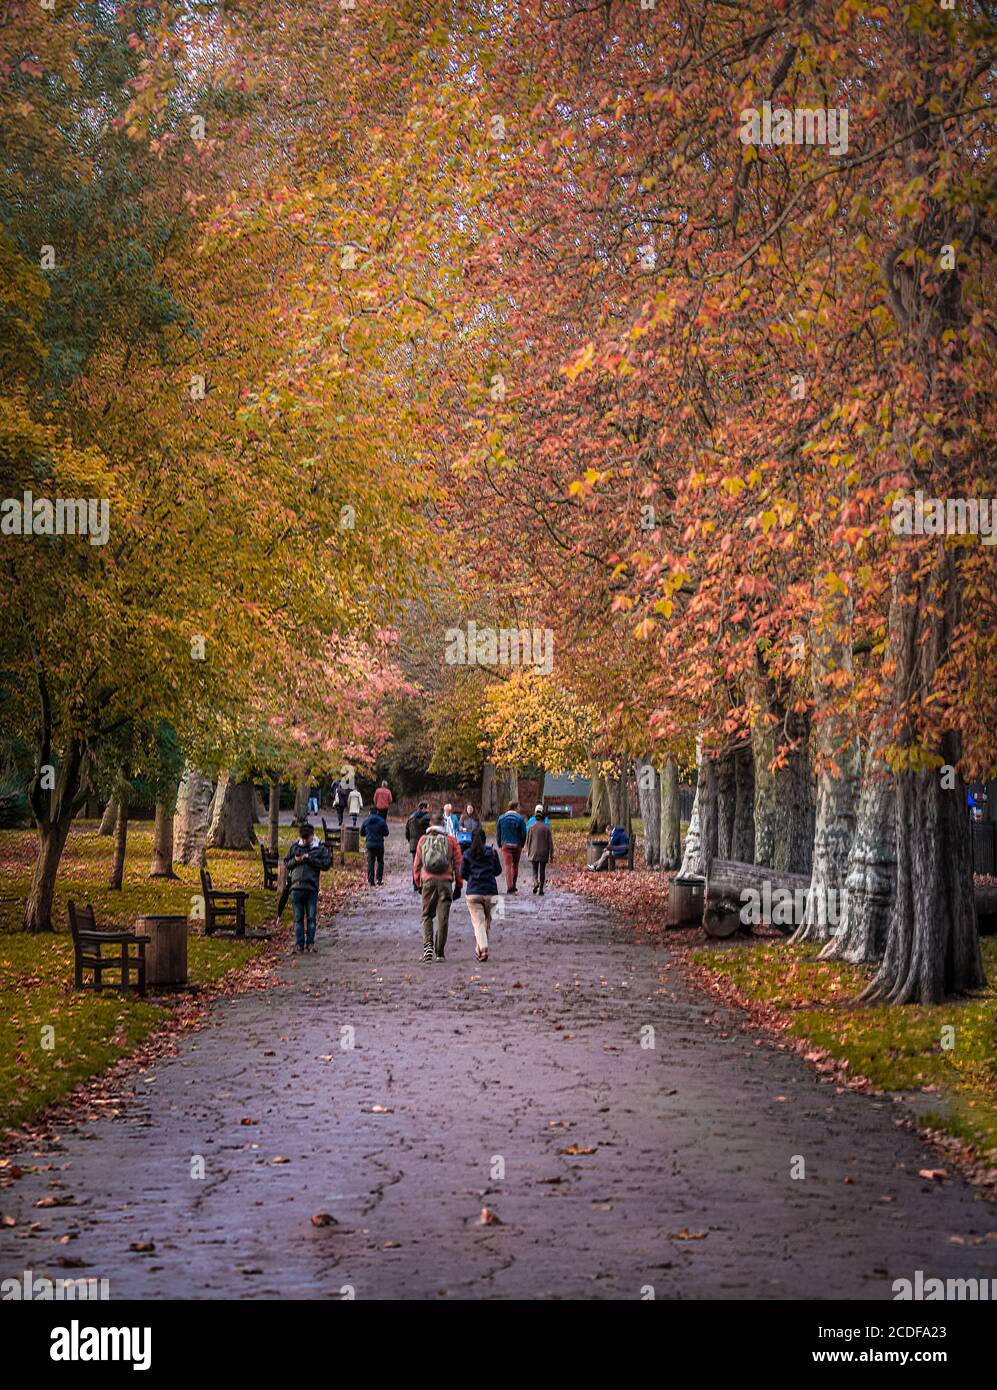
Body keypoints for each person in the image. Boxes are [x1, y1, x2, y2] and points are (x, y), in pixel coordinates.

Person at [413, 810, 463, 963]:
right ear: (443, 823)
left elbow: (417, 864)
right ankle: (440, 952)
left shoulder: (423, 840)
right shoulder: (451, 841)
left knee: (427, 915)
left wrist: (418, 882)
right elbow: (458, 864)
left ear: (430, 824)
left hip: (428, 882)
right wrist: (459, 884)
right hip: (446, 883)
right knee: (443, 918)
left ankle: (428, 946)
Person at [283, 820, 331, 952]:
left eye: (307, 838)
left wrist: (309, 858)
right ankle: (299, 944)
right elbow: (286, 862)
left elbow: (326, 864)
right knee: (298, 918)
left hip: (311, 887)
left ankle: (310, 942)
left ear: (312, 836)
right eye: (303, 838)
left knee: (311, 917)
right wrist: (296, 860)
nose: (305, 841)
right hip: (296, 887)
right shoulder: (295, 848)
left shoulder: (319, 849)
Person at [462, 826, 502, 962]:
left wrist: (473, 879)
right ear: (485, 840)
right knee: (486, 923)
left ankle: (483, 948)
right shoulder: (492, 853)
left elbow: (463, 874)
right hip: (492, 892)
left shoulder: (467, 854)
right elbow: (498, 871)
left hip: (473, 892)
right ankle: (481, 950)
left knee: (479, 922)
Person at [496, 799, 527, 893]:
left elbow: (498, 833)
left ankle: (510, 886)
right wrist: (522, 843)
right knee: (515, 865)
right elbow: (524, 833)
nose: (519, 808)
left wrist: (499, 844)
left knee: (507, 865)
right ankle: (514, 884)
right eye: (518, 806)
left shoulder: (501, 818)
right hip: (517, 845)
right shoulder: (520, 819)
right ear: (515, 807)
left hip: (505, 845)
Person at [525, 811, 554, 895]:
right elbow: (550, 843)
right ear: (543, 818)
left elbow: (528, 841)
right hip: (543, 853)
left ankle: (535, 882)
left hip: (533, 852)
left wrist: (528, 850)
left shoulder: (530, 827)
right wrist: (551, 855)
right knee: (542, 870)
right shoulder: (546, 828)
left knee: (534, 869)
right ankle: (541, 889)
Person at [360, 806, 389, 885]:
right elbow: (386, 833)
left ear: (369, 812)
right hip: (379, 844)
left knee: (370, 863)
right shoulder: (382, 821)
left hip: (369, 845)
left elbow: (361, 833)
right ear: (377, 812)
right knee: (380, 862)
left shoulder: (366, 821)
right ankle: (379, 880)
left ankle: (370, 881)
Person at [406, 801, 431, 890]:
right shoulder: (426, 818)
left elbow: (407, 832)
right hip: (423, 843)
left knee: (415, 864)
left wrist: (410, 840)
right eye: (427, 808)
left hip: (413, 844)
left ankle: (415, 884)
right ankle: (422, 883)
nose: (428, 810)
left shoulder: (411, 818)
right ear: (423, 808)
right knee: (424, 864)